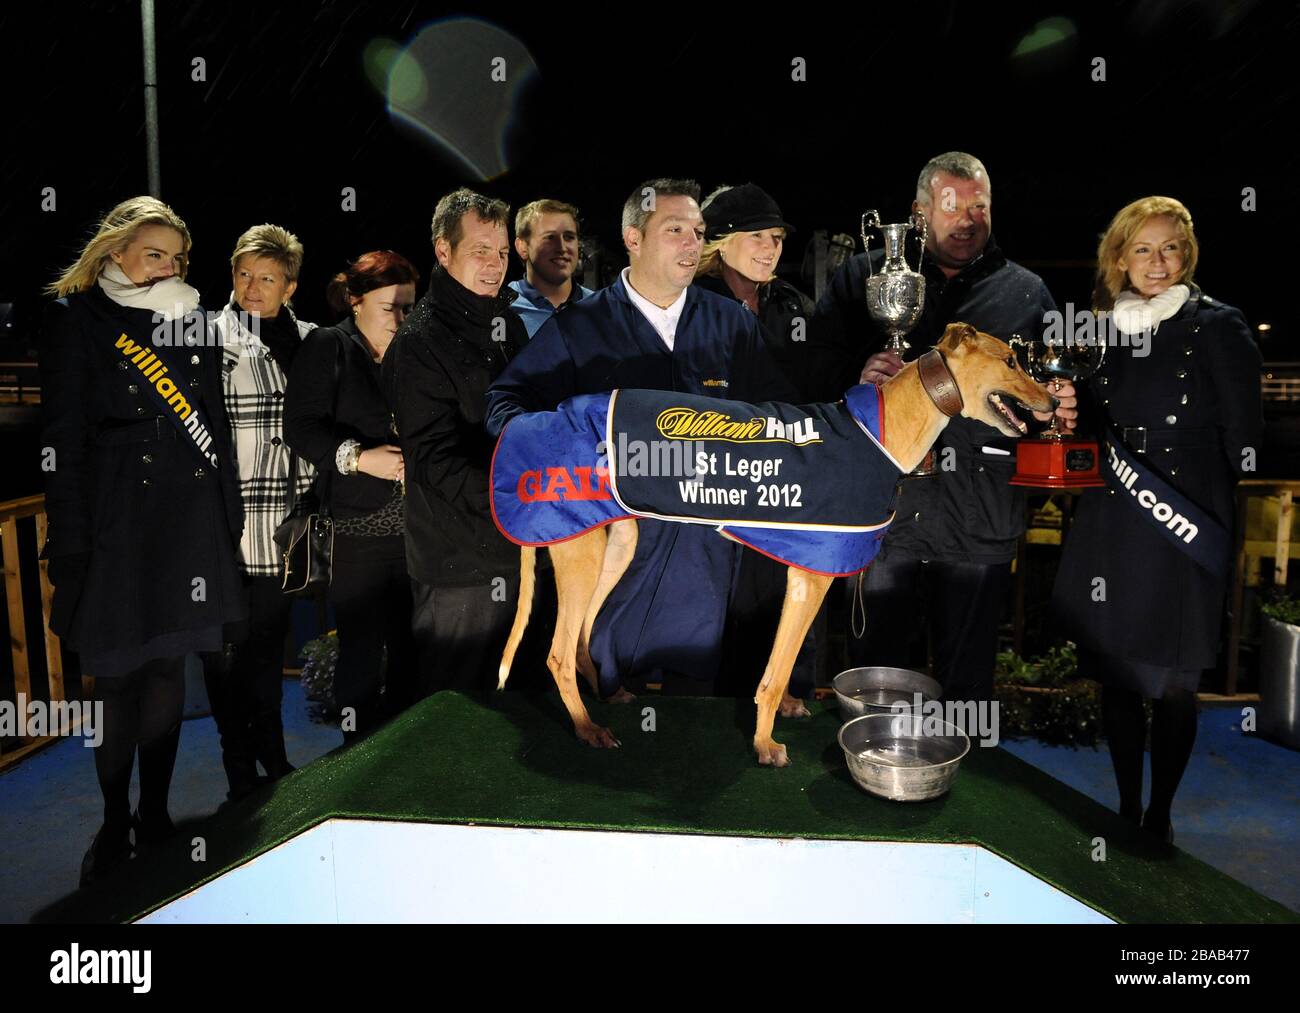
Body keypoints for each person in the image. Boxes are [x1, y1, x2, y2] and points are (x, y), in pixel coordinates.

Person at [486, 178, 796, 698]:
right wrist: (578, 444)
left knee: (689, 715)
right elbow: (505, 408)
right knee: (604, 703)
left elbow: (781, 414)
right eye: (674, 230)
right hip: (614, 554)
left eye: (698, 232)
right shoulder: (579, 326)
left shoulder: (730, 324)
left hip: (705, 554)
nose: (692, 243)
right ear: (633, 237)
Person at [816, 151, 1077, 712]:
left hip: (978, 519)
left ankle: (968, 782)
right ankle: (866, 780)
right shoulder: (862, 279)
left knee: (966, 691)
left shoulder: (1027, 294)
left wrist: (1060, 408)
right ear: (919, 212)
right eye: (953, 206)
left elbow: (1050, 395)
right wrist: (857, 377)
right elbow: (812, 381)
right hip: (882, 515)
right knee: (876, 678)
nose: (968, 218)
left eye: (979, 206)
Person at [40, 196, 246, 884]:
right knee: (116, 674)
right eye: (155, 253)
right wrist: (68, 544)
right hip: (116, 524)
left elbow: (212, 422)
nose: (169, 267)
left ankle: (154, 812)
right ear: (115, 254)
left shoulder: (195, 321)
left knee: (165, 668)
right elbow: (62, 443)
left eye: (178, 257)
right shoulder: (81, 322)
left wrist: (228, 516)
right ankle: (112, 815)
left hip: (185, 520)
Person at [1051, 197, 1262, 843]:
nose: (1157, 261)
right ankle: (1123, 806)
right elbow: (1084, 425)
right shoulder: (1096, 329)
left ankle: (1160, 816)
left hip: (1183, 520)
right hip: (1115, 517)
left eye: (1170, 247)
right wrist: (1061, 414)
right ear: (1119, 257)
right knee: (1118, 674)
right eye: (1142, 248)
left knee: (1174, 683)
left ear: (1187, 254)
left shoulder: (1217, 325)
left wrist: (1214, 518)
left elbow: (1244, 438)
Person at [383, 188, 530, 695]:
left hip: (519, 549)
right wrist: (515, 500)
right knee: (456, 717)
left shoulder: (506, 320)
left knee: (520, 704)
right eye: (480, 251)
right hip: (458, 565)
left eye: (503, 251)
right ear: (443, 252)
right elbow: (432, 459)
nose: (495, 265)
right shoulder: (419, 340)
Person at [693, 183, 821, 707]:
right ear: (720, 242)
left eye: (777, 238)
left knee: (780, 595)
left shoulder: (795, 306)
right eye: (757, 237)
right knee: (714, 615)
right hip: (712, 489)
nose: (771, 248)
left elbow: (820, 390)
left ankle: (783, 695)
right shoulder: (688, 304)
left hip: (786, 485)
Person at [284, 251, 419, 742]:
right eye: (390, 308)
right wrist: (359, 458)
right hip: (355, 530)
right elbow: (299, 427)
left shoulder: (412, 350)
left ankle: (405, 751)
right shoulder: (329, 345)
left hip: (418, 530)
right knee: (361, 650)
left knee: (412, 647)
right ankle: (357, 754)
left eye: (409, 307)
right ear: (355, 301)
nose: (401, 319)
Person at [204, 224, 316, 802]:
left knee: (268, 646)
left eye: (267, 277)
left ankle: (272, 754)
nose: (253, 287)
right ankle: (238, 769)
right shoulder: (205, 336)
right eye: (244, 274)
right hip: (225, 522)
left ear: (289, 285)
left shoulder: (314, 340)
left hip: (286, 524)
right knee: (227, 651)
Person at [507, 198, 595, 337]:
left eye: (569, 237)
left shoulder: (600, 308)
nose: (562, 248)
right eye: (549, 238)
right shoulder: (500, 309)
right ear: (522, 247)